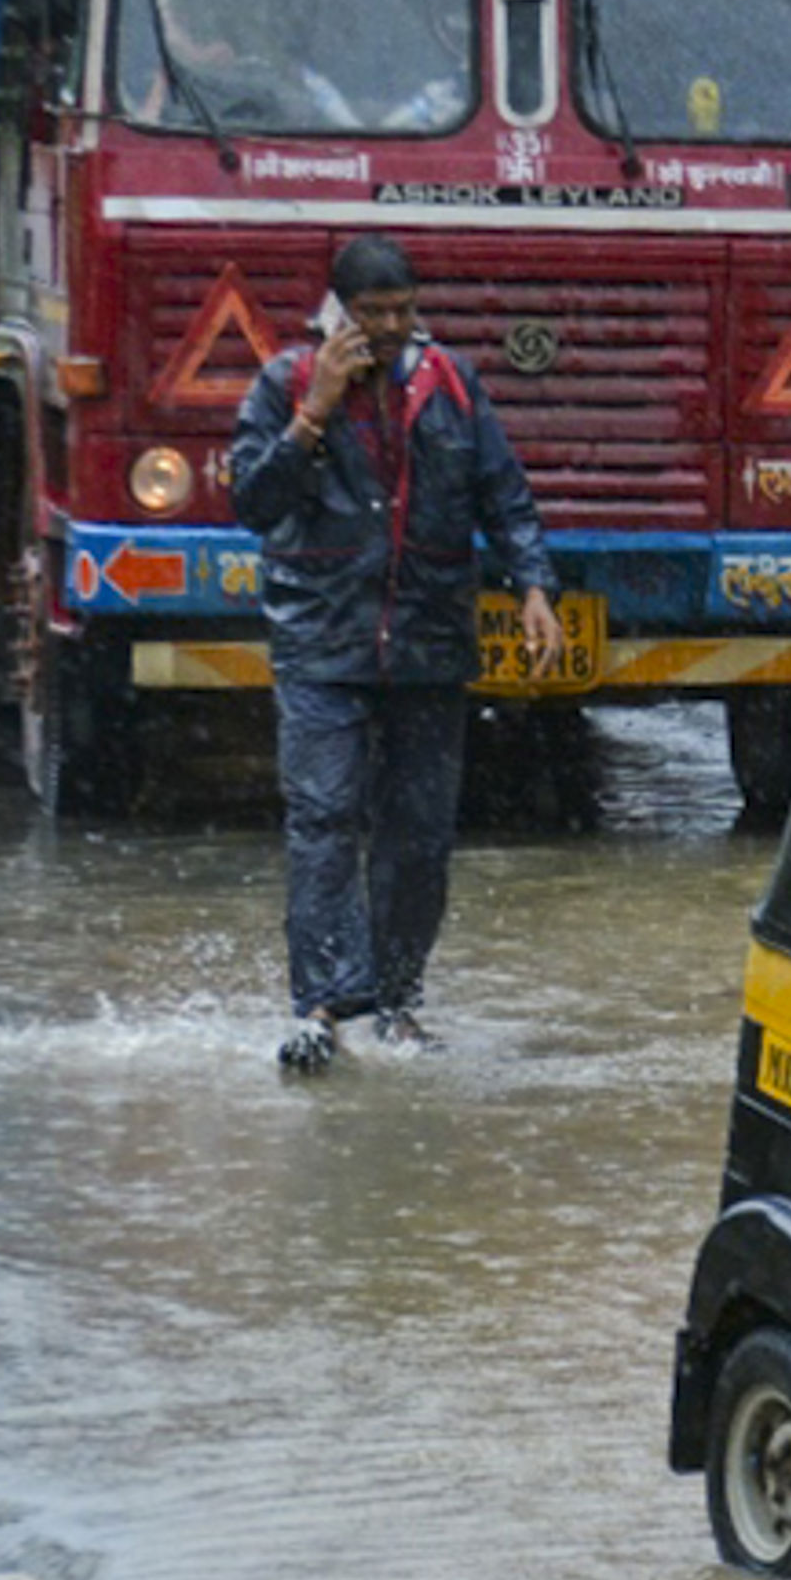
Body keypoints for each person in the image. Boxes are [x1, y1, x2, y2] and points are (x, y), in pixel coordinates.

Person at [226, 234, 564, 1072]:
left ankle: (396, 1002)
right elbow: (253, 503)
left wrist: (533, 587)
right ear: (336, 314)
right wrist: (313, 416)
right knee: (323, 822)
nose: (388, 328)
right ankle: (319, 1009)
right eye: (372, 313)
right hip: (321, 642)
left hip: (429, 643)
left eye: (403, 312)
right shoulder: (285, 383)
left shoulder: (450, 384)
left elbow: (504, 495)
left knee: (419, 837)